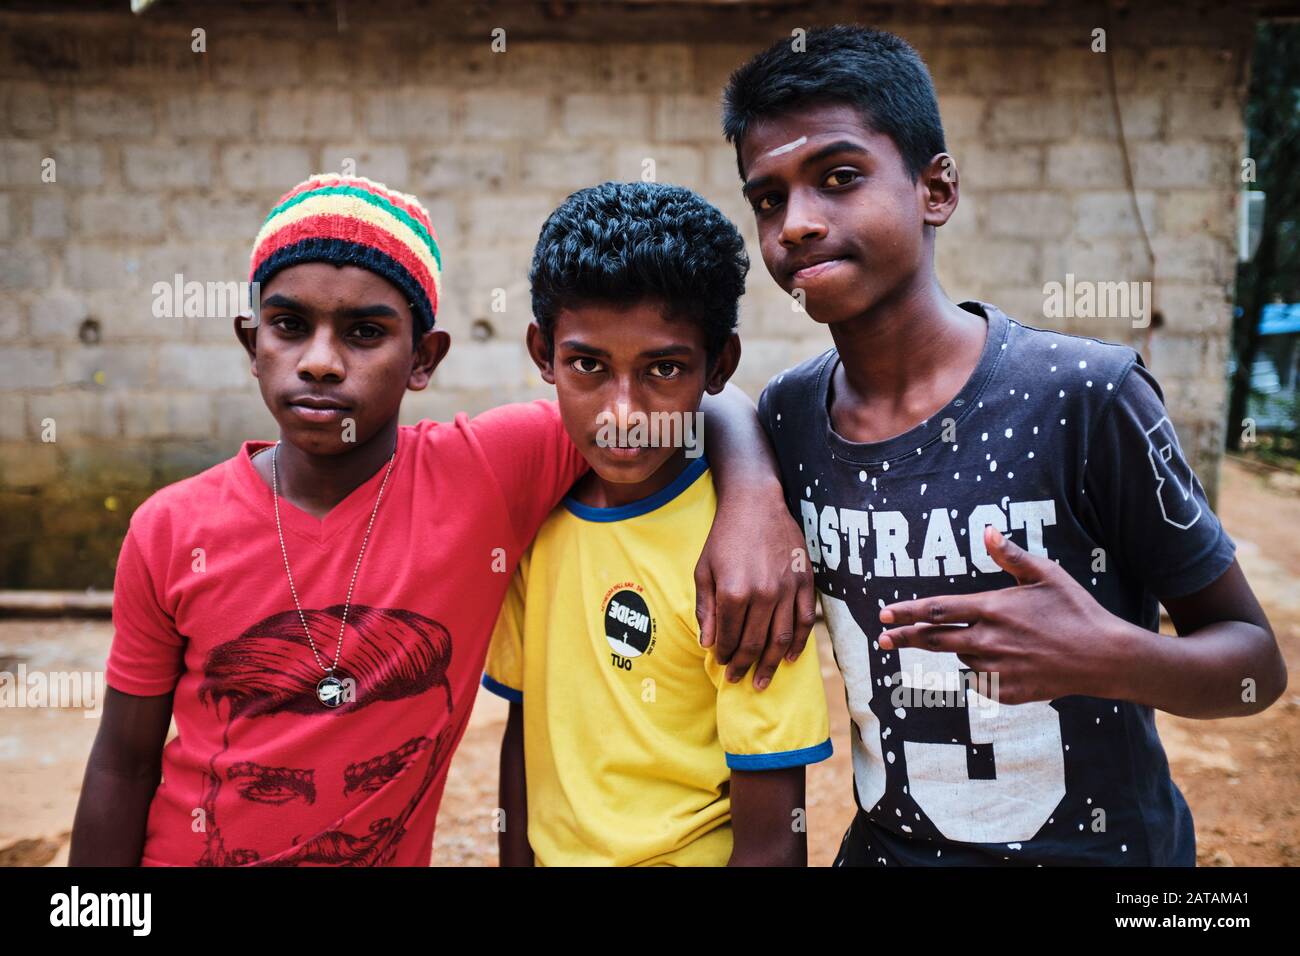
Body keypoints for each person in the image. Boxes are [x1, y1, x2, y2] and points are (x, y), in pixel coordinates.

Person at [68, 173, 812, 866]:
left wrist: (751, 498)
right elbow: (121, 763)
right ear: (250, 343)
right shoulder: (169, 530)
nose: (322, 362)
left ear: (423, 358)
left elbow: (685, 390)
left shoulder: (488, 472)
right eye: (289, 325)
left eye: (364, 332)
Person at [723, 25, 1287, 865]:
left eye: (839, 178)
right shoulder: (790, 417)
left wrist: (1113, 656)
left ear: (936, 188)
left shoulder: (1087, 397)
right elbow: (712, 405)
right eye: (769, 198)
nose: (798, 224)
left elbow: (1255, 666)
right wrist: (746, 491)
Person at [484, 182, 832, 866]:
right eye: (587, 364)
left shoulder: (746, 566)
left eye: (663, 369)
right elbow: (527, 735)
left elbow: (773, 840)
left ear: (718, 365)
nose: (622, 411)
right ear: (542, 353)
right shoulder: (534, 515)